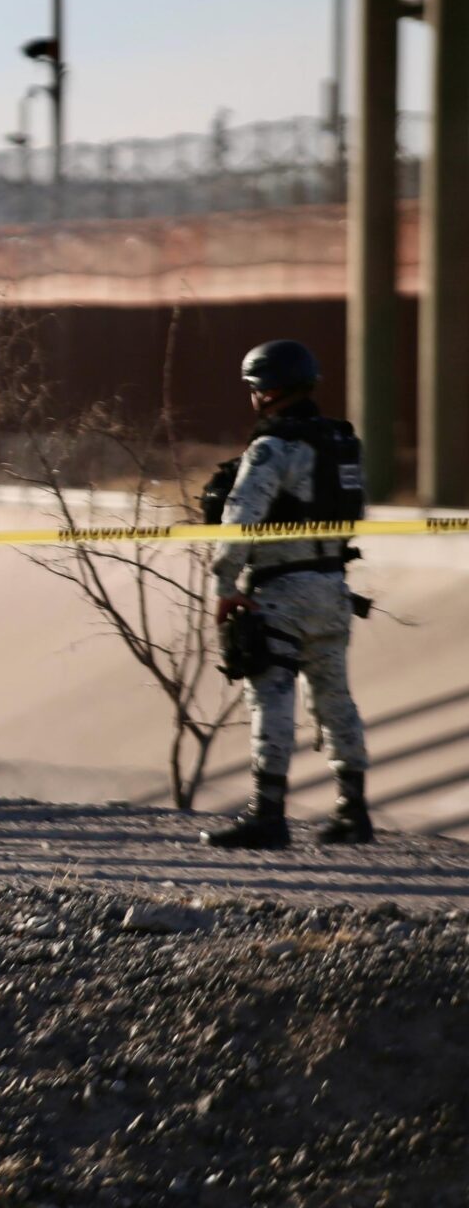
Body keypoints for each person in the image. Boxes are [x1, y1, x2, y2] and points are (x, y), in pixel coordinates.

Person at [201, 339, 370, 849]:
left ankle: (268, 814)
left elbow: (240, 518)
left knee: (270, 694)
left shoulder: (273, 447)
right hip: (332, 587)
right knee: (334, 698)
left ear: (267, 390)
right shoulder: (339, 442)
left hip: (280, 588)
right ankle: (353, 811)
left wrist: (225, 585)